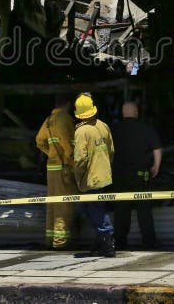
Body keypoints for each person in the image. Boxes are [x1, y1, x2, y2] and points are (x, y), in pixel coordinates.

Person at [111, 101, 162, 250]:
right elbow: (157, 148)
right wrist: (156, 166)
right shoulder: (145, 128)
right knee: (144, 210)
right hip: (141, 177)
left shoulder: (114, 130)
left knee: (121, 211)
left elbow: (107, 152)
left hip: (120, 177)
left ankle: (120, 241)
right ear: (136, 113)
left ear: (122, 113)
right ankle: (149, 242)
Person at [72, 93, 116, 257]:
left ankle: (107, 240)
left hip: (90, 179)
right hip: (104, 175)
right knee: (91, 208)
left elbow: (79, 159)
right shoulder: (103, 126)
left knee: (95, 209)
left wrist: (78, 177)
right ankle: (100, 239)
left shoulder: (81, 132)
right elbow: (111, 151)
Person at [35, 94, 78, 250]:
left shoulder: (49, 120)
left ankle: (49, 239)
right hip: (63, 168)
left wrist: (51, 154)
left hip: (51, 170)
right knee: (63, 206)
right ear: (67, 104)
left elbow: (39, 141)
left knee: (52, 205)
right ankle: (61, 242)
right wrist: (73, 161)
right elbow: (68, 144)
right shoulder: (64, 119)